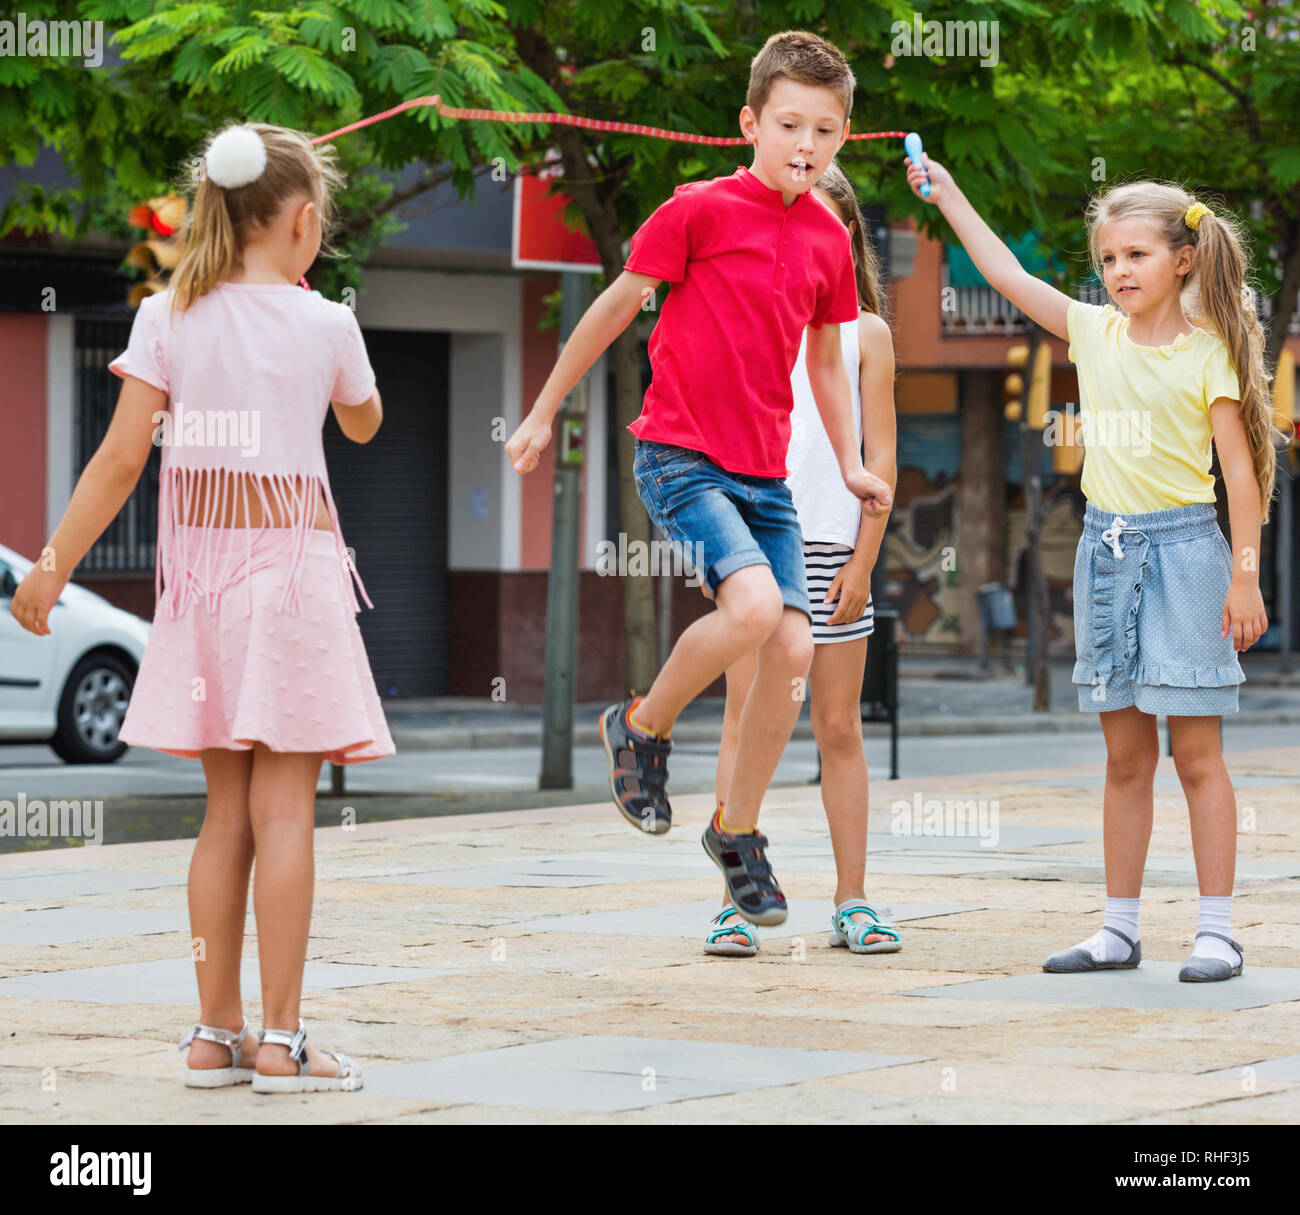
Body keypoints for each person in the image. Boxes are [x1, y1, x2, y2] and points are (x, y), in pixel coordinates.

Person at [11, 121, 393, 1087]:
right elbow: (362, 422)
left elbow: (122, 457)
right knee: (288, 814)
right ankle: (284, 1038)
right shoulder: (327, 323)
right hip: (296, 588)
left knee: (224, 811)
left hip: (205, 592)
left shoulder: (163, 315)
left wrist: (50, 568)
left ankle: (211, 1034)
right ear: (304, 224)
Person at [507, 30, 891, 927]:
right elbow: (614, 307)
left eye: (826, 130)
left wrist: (850, 463)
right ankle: (639, 725)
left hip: (765, 478)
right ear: (750, 122)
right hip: (681, 453)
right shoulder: (699, 210)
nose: (806, 144)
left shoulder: (831, 241)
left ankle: (737, 830)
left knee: (792, 652)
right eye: (790, 123)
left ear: (843, 138)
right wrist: (541, 410)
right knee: (756, 613)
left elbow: (829, 367)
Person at [905, 152, 1276, 983]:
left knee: (1197, 756)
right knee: (1123, 757)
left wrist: (1245, 576)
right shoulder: (1090, 330)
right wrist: (951, 193)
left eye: (1135, 255)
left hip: (1186, 553)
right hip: (1105, 551)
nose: (1118, 271)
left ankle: (1217, 930)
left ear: (1183, 257)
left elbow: (1242, 477)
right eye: (1108, 259)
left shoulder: (1208, 350)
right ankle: (1119, 928)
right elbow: (1001, 271)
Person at [706, 160, 899, 958]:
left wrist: (861, 564)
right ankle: (734, 903)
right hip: (755, 542)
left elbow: (879, 458)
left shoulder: (869, 334)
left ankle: (852, 899)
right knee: (743, 723)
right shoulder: (747, 310)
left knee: (837, 726)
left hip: (833, 546)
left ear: (845, 233)